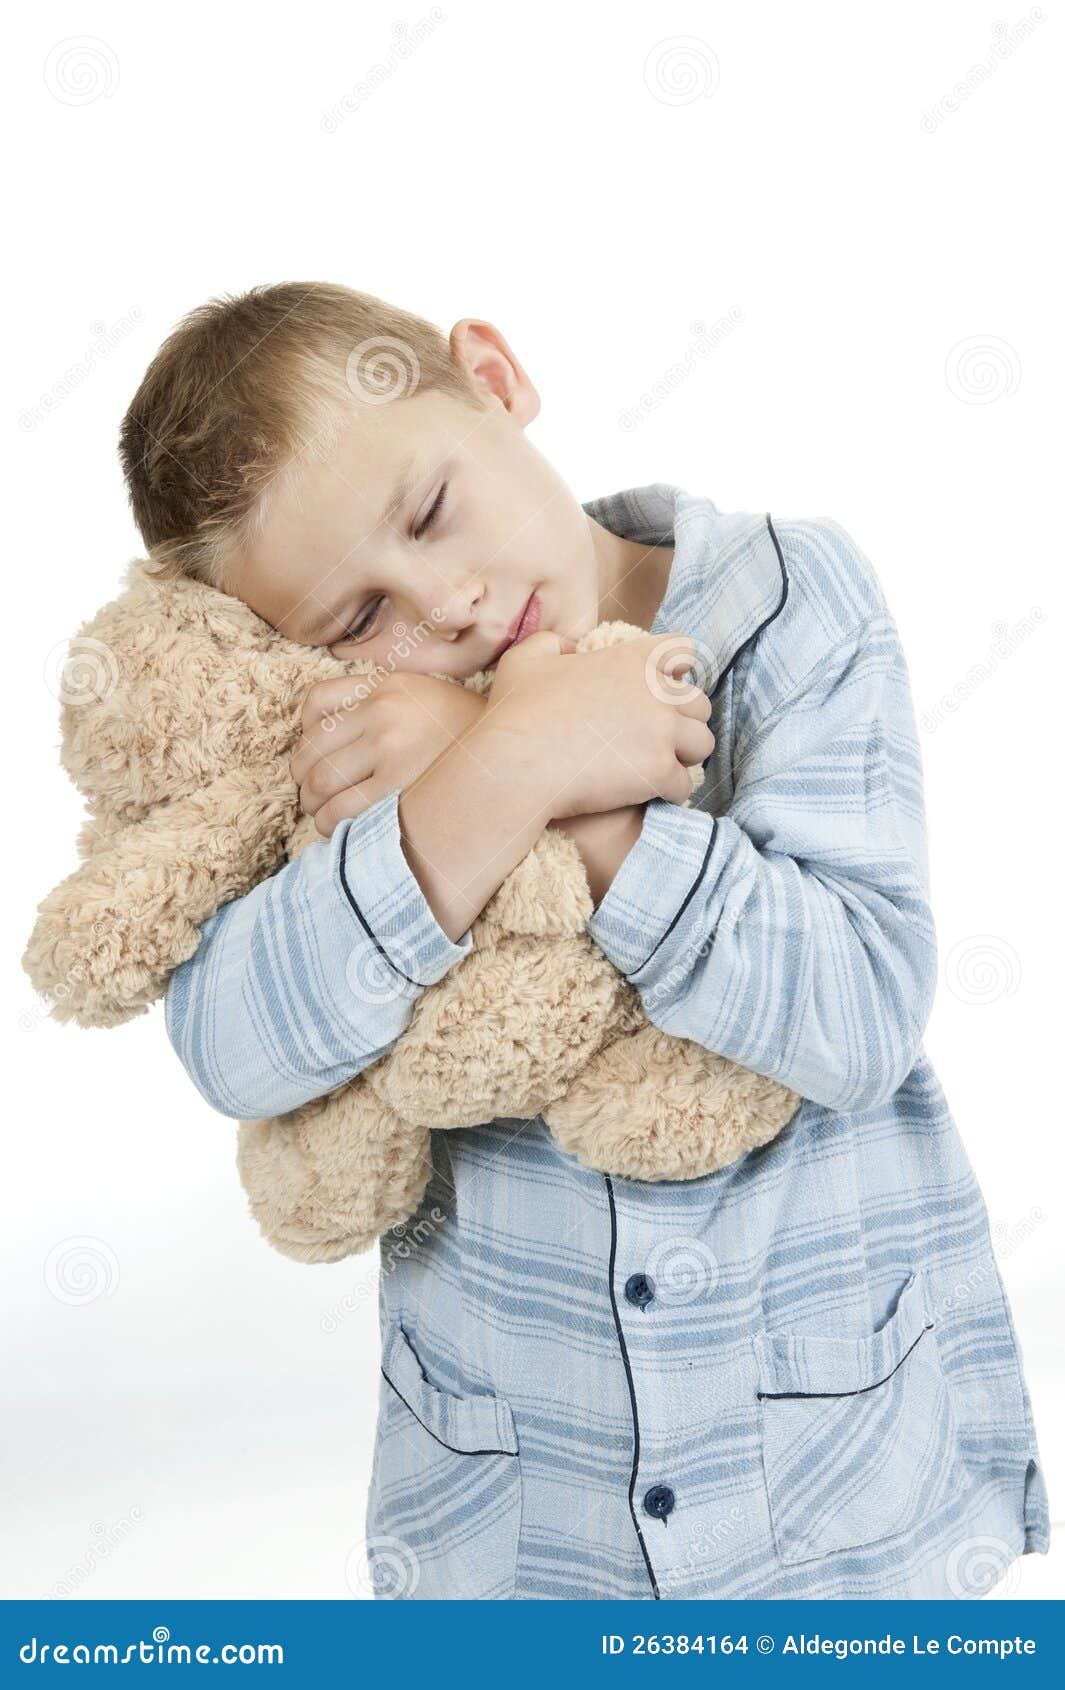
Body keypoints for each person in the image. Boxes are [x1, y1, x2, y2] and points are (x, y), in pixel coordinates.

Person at [122, 282, 1047, 1599]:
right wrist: (490, 768)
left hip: (835, 1483)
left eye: (430, 510)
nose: (441, 604)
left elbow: (856, 1010)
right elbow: (236, 1047)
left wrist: (567, 784)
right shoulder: (340, 729)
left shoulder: (793, 602)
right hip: (523, 1525)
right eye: (356, 617)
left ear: (491, 378)